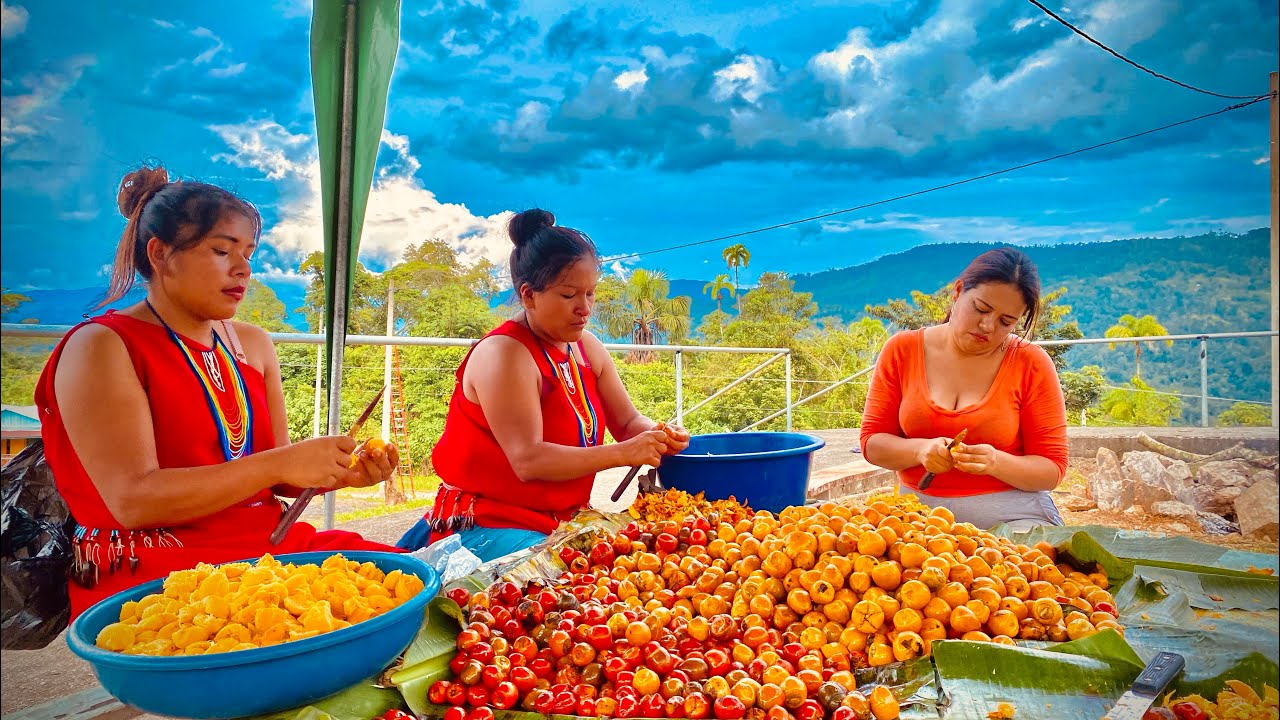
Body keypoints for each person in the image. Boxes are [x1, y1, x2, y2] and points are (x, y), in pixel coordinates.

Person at [36, 165, 402, 620]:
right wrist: (282, 462)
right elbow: (132, 501)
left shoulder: (251, 344)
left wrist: (343, 472)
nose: (243, 268)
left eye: (248, 252)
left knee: (404, 584)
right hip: (152, 566)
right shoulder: (102, 346)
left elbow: (278, 475)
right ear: (160, 253)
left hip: (263, 546)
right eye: (221, 250)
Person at [397, 209, 690, 561]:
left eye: (590, 294)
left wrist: (658, 434)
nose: (584, 308)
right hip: (487, 526)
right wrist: (624, 453)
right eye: (569, 296)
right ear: (529, 295)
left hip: (556, 526)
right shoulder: (505, 353)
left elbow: (627, 424)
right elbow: (528, 460)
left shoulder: (587, 349)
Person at [859, 247, 1068, 532]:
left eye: (1006, 322)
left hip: (1016, 520)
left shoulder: (1031, 362)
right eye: (981, 309)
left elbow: (1052, 470)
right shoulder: (902, 350)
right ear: (958, 291)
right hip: (919, 521)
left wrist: (995, 462)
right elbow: (873, 444)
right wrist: (920, 450)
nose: (987, 326)